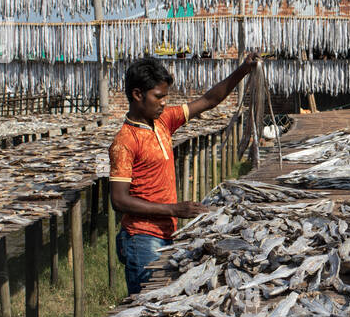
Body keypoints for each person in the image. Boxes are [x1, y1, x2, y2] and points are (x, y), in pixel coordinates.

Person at [109, 53, 256, 294]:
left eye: (165, 97)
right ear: (137, 95)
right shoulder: (125, 142)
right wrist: (174, 209)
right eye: (158, 96)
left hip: (166, 233)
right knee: (148, 303)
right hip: (142, 238)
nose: (163, 103)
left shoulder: (163, 122)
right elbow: (119, 200)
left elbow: (208, 100)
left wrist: (243, 70)